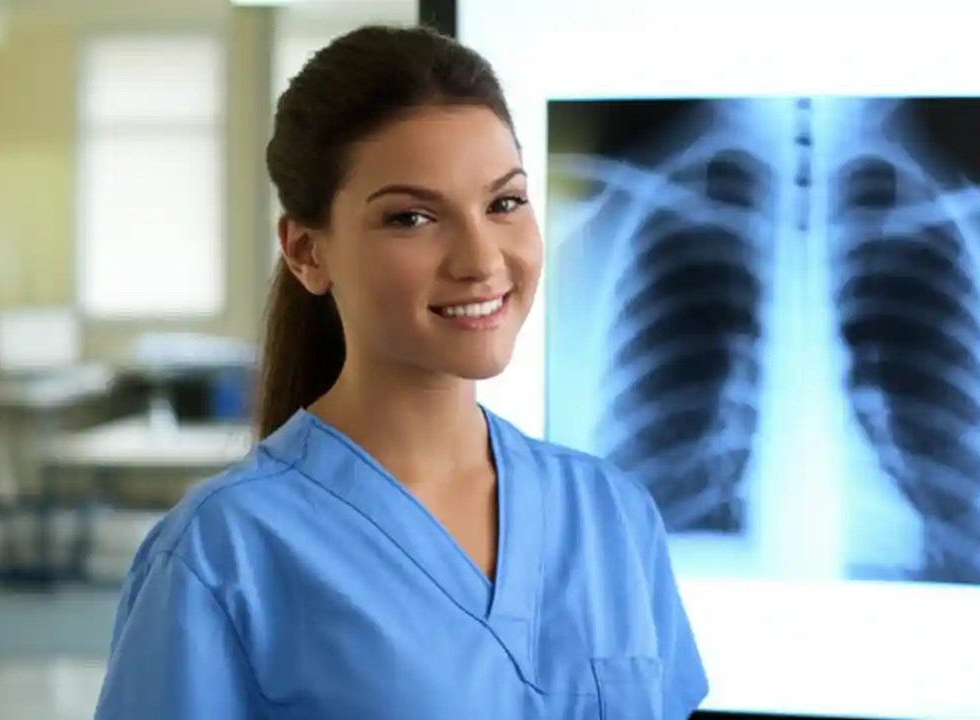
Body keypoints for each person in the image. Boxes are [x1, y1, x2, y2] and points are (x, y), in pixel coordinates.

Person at [93, 23, 708, 720]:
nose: (480, 259)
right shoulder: (220, 554)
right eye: (413, 218)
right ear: (306, 253)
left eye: (504, 203)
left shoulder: (611, 514)